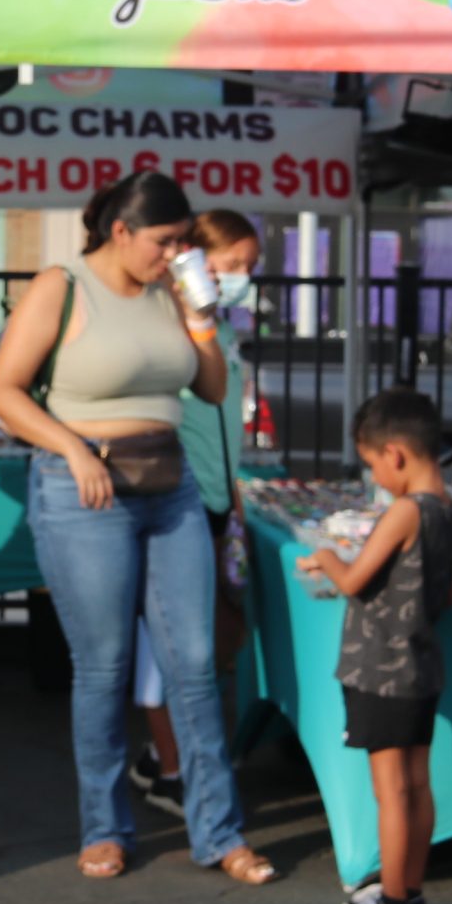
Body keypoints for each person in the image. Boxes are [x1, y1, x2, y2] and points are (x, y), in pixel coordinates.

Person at [0, 172, 275, 886]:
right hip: (87, 487)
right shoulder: (63, 285)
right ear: (121, 231)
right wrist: (72, 448)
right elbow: (3, 390)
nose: (176, 253)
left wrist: (201, 314)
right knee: (106, 667)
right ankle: (105, 828)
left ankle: (220, 832)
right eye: (166, 241)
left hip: (169, 484)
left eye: (183, 242)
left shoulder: (170, 293)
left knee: (196, 666)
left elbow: (209, 388)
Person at [300, 388, 452, 904]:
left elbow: (352, 580)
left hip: (378, 671)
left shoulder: (403, 512)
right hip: (421, 666)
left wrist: (324, 556)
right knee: (417, 783)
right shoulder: (447, 509)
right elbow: (451, 594)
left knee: (390, 790)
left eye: (372, 465)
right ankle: (408, 890)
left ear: (394, 454)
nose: (375, 477)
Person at [129, 210, 259, 819]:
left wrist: (233, 496)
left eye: (248, 268)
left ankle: (169, 757)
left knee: (210, 639)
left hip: (212, 502)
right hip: (173, 505)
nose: (240, 278)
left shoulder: (220, 335)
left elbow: (224, 424)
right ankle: (174, 768)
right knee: (168, 645)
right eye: (231, 265)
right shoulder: (164, 330)